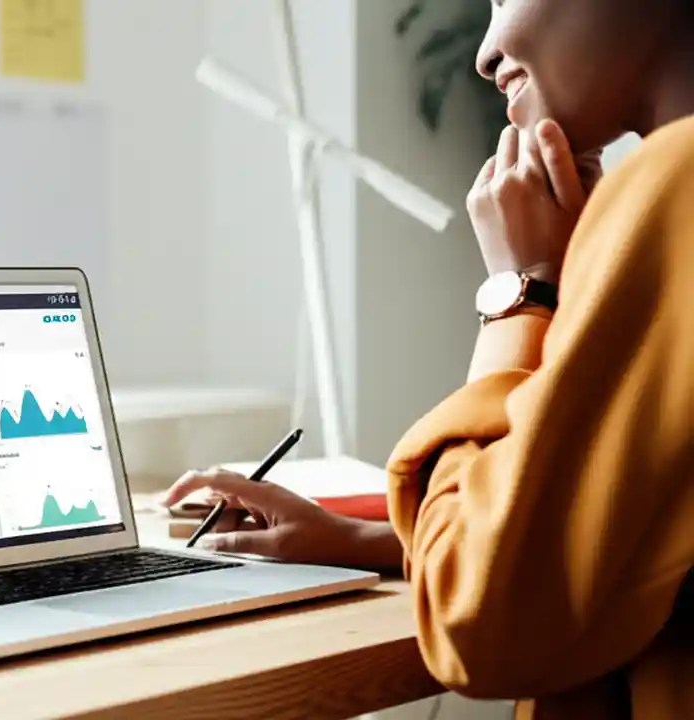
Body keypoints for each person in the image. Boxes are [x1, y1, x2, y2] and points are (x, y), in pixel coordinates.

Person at [165, 0, 693, 717]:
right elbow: (620, 541)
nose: (485, 53)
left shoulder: (675, 188)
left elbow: (475, 624)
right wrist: (360, 540)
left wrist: (522, 290)